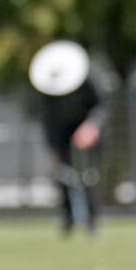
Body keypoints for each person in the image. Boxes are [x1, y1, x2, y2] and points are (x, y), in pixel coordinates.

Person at [30, 40, 107, 235]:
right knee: (62, 176)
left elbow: (101, 107)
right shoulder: (47, 88)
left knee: (89, 176)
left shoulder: (87, 80)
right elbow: (48, 119)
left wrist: (91, 126)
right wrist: (53, 147)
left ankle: (92, 221)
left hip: (86, 132)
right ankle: (67, 221)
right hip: (61, 134)